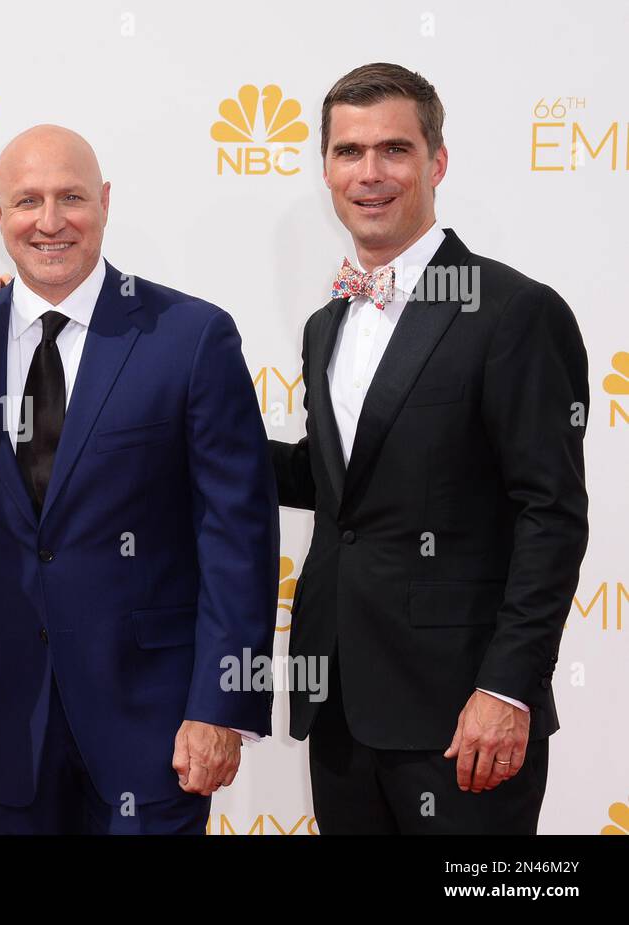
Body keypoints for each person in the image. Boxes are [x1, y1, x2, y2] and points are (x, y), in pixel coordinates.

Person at [0, 124, 278, 834]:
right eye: (27, 200)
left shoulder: (189, 337)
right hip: (3, 718)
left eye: (72, 197)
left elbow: (237, 536)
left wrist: (221, 706)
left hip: (155, 723)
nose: (50, 221)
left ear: (107, 201)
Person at [270, 63, 589, 834]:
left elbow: (551, 513)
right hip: (341, 699)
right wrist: (180, 413)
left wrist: (508, 689)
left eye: (393, 150)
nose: (369, 173)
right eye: (348, 152)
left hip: (462, 716)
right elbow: (337, 484)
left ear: (436, 162)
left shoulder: (514, 311)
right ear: (325, 169)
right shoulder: (326, 325)